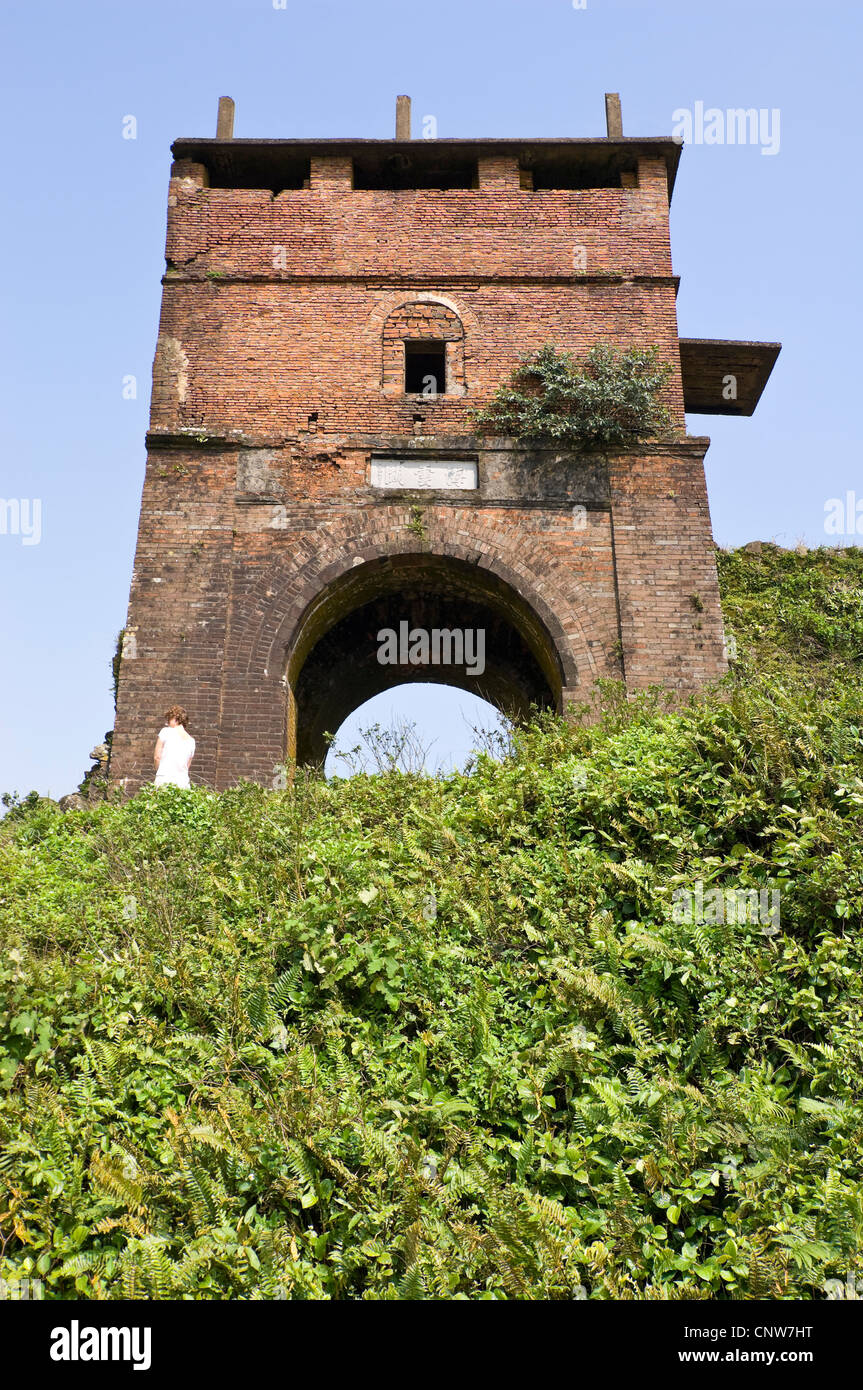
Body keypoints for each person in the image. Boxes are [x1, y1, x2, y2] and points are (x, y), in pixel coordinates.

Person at [153, 705, 196, 788]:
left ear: (176, 719)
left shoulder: (165, 731)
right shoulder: (191, 741)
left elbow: (157, 757)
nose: (168, 723)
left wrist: (160, 771)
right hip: (183, 781)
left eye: (169, 720)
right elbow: (187, 766)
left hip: (164, 778)